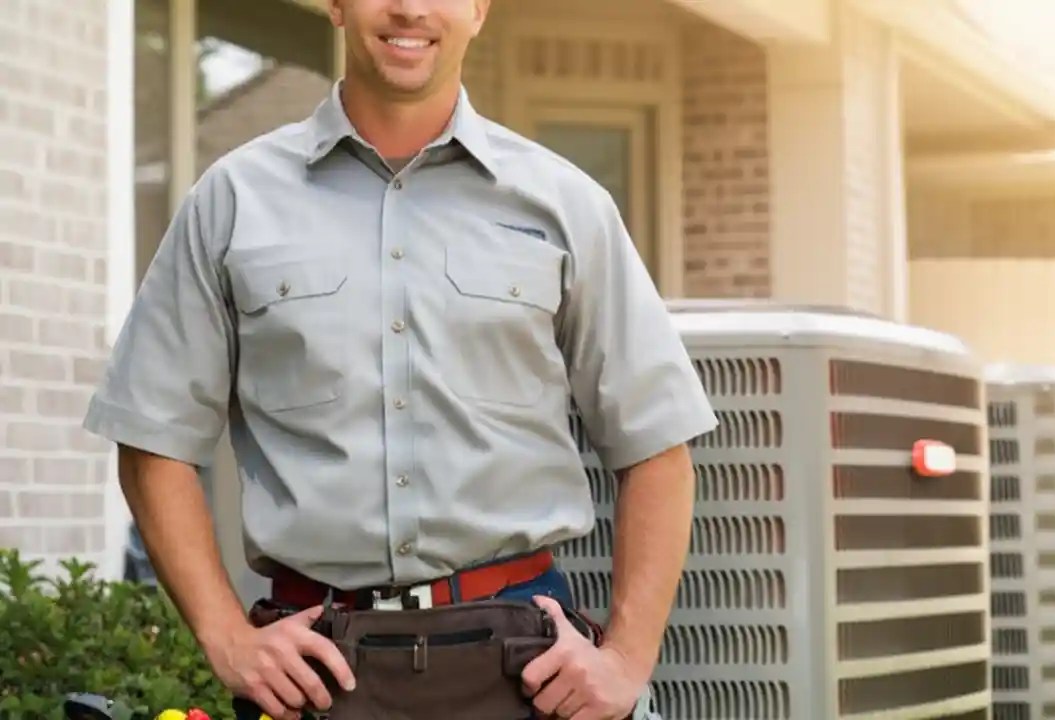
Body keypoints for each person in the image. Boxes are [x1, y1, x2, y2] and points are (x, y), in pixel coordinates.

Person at [81, 0, 718, 718]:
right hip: (316, 674)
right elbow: (150, 438)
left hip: (524, 671)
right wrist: (226, 636)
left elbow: (657, 444)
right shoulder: (233, 201)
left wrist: (626, 660)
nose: (410, 8)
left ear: (479, 9)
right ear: (337, 5)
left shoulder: (568, 205)